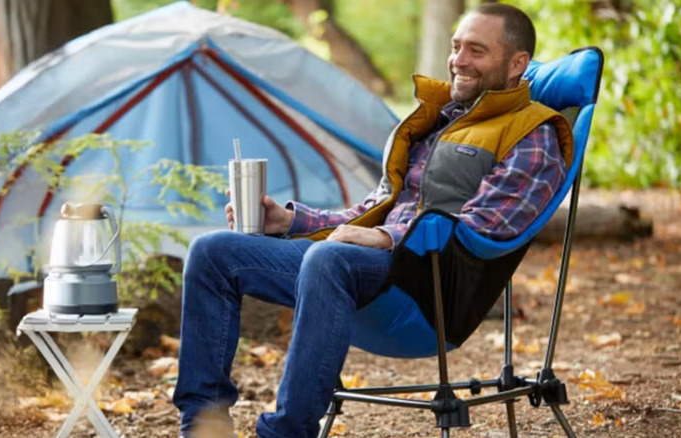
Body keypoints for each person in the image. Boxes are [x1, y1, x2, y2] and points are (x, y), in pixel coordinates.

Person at [173, 3, 573, 438]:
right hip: (361, 271)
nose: (459, 60)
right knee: (213, 253)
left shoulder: (533, 134)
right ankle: (202, 425)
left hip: (430, 289)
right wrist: (289, 220)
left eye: (477, 50)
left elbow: (483, 226)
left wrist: (386, 237)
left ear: (517, 64)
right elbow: (372, 211)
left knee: (329, 260)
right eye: (456, 46)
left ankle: (287, 433)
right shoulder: (436, 122)